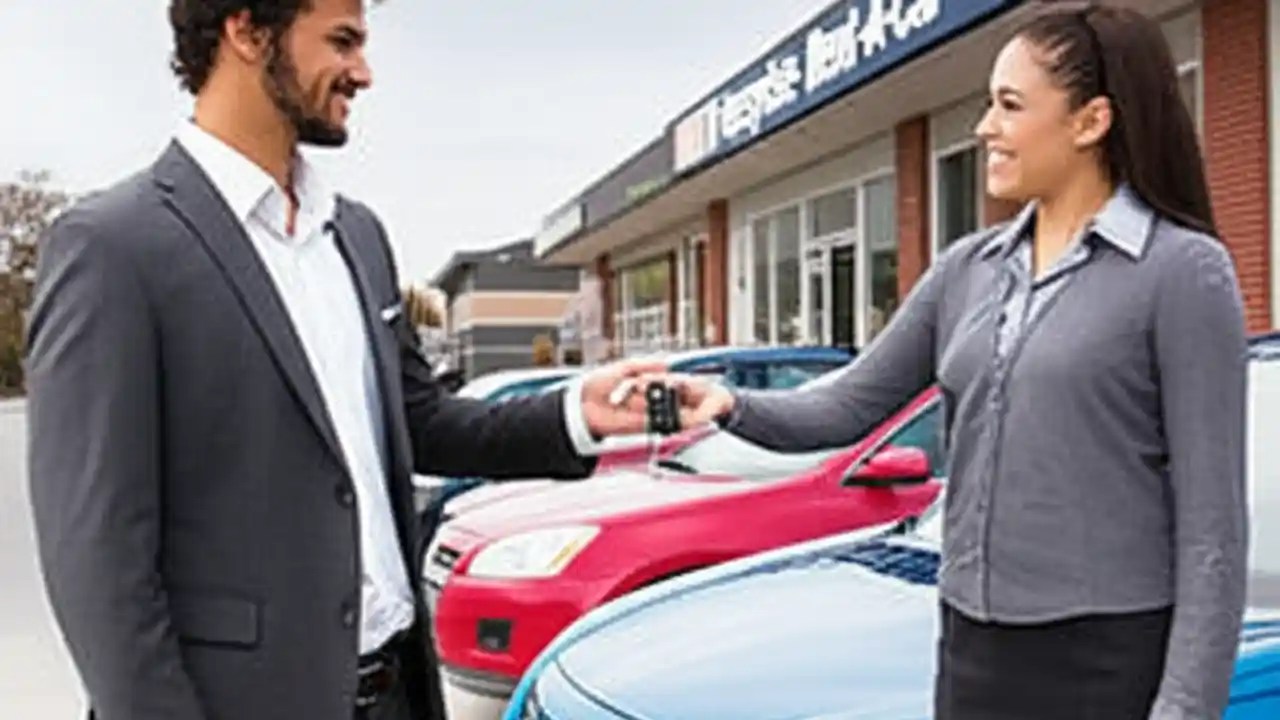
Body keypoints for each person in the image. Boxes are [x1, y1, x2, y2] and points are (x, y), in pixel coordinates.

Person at [24, 2, 655, 719]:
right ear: (246, 31)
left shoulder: (356, 234)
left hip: (397, 694)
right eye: (342, 42)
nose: (364, 72)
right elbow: (97, 561)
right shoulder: (111, 247)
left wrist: (577, 412)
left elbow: (419, 422)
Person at [659, 3, 1248, 719]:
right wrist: (726, 405)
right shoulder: (968, 268)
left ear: (1091, 121)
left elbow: (1214, 527)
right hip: (974, 650)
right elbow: (846, 406)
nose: (984, 128)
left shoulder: (1181, 271)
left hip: (1107, 659)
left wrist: (1184, 709)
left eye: (1010, 105)